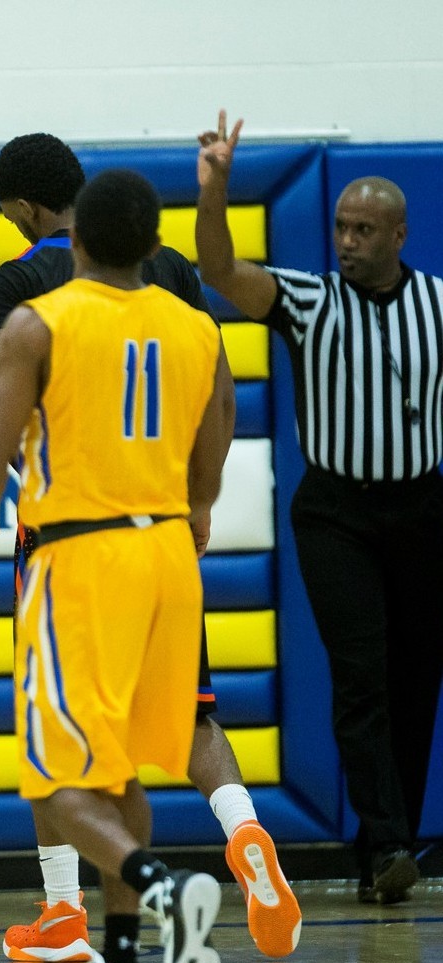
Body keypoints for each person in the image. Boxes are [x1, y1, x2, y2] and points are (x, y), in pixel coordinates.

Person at [0, 133, 300, 962]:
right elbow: (220, 398)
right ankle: (247, 836)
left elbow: (12, 423)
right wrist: (198, 501)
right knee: (194, 713)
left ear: (22, 209)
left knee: (54, 738)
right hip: (163, 534)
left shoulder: (23, 286)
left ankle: (67, 912)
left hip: (67, 543)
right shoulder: (166, 273)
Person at [0, 168, 232, 963]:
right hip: (172, 557)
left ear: (78, 242)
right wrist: (194, 511)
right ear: (153, 244)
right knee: (118, 772)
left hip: (80, 560)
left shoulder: (39, 322)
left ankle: (162, 891)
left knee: (56, 778)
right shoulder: (195, 327)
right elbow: (212, 456)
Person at [195, 110, 443, 905]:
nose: (347, 240)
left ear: (400, 235)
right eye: (341, 226)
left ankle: (387, 846)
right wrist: (216, 189)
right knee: (361, 675)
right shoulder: (307, 300)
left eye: (365, 229)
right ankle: (390, 845)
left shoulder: (440, 306)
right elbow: (222, 272)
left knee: (416, 677)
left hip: (423, 506)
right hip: (336, 511)